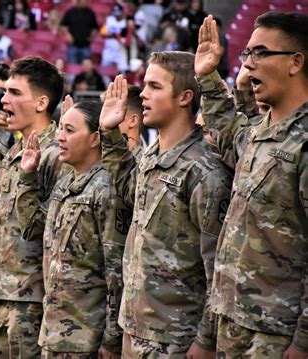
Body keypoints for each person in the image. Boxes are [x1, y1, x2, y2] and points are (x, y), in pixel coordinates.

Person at [99, 53, 232, 357]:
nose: (143, 94)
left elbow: (219, 268)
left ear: (184, 97)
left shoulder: (204, 171)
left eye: (154, 86)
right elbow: (129, 188)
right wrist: (108, 132)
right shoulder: (152, 155)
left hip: (175, 340)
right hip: (136, 329)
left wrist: (205, 340)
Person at [195, 13, 308, 357]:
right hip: (234, 324)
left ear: (295, 62)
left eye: (260, 53)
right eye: (246, 55)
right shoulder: (262, 132)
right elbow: (229, 133)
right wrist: (207, 76)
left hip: (277, 334)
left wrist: (304, 340)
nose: (249, 64)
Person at [0, 56, 65, 358]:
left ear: (42, 102)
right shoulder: (14, 152)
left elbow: (51, 232)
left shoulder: (58, 155)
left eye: (14, 93)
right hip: (0, 295)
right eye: (5, 92)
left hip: (33, 300)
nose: (3, 100)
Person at [16, 100, 125, 358]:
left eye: (70, 130)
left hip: (88, 336)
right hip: (55, 332)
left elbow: (116, 268)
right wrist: (27, 178)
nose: (59, 137)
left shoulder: (106, 189)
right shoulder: (65, 184)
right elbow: (31, 227)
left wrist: (112, 339)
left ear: (95, 138)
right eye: (60, 129)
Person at [60, 0, 99, 64]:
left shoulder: (90, 13)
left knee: (86, 67)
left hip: (86, 45)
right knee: (72, 67)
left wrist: (92, 36)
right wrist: (68, 35)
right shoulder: (70, 12)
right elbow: (63, 26)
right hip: (73, 45)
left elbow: (95, 27)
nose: (85, 2)